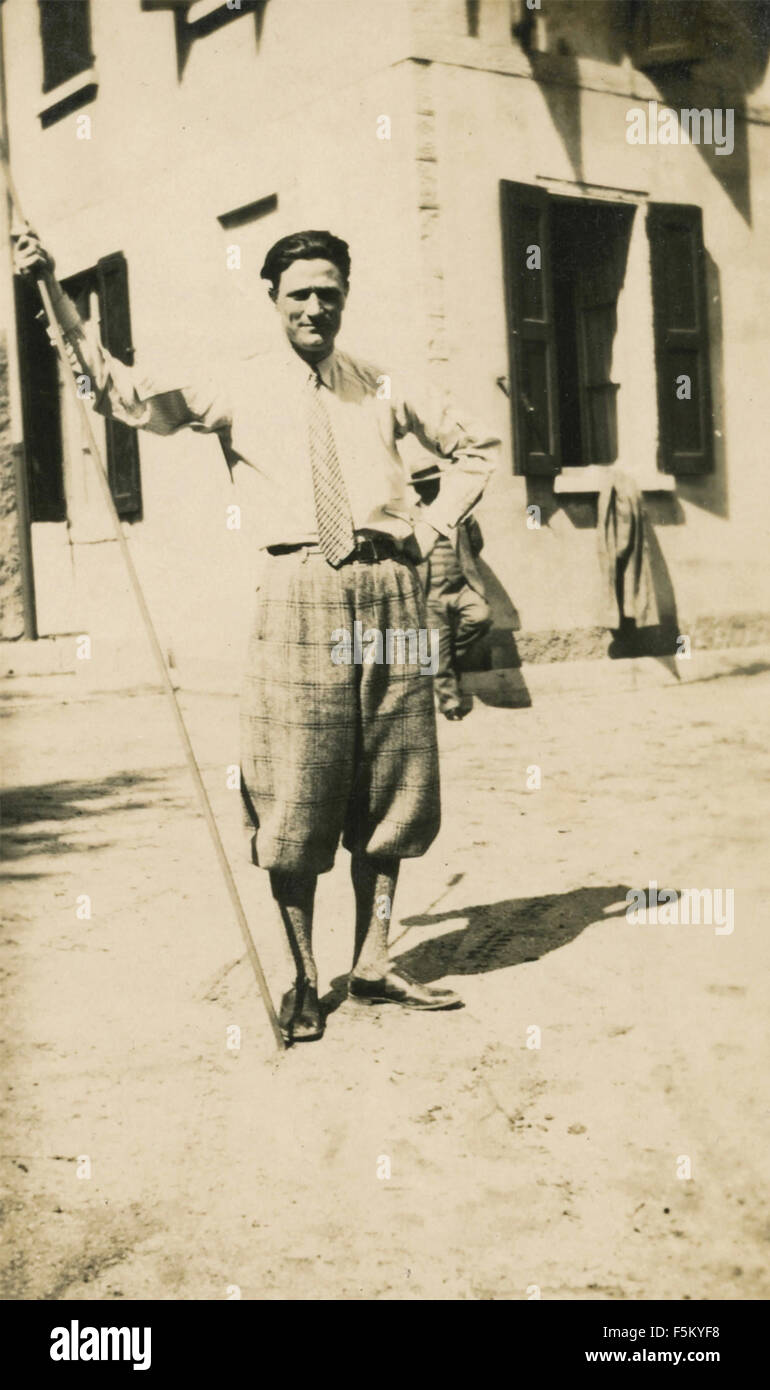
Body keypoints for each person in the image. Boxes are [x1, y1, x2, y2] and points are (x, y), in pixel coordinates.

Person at [13, 227, 499, 1044]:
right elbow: (119, 394)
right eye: (301, 292)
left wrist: (429, 528)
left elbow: (476, 449)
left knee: (397, 782)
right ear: (273, 298)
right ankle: (306, 977)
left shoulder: (380, 382)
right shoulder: (231, 384)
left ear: (346, 295)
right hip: (298, 588)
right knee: (297, 786)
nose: (317, 305)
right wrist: (53, 290)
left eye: (330, 291)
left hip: (391, 588)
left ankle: (374, 960)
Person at [411, 465, 492, 719]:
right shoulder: (409, 517)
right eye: (424, 484)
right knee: (436, 651)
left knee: (481, 616)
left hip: (461, 587)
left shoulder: (458, 511)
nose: (431, 487)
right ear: (416, 489)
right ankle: (450, 704)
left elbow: (476, 543)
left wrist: (464, 567)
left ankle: (453, 657)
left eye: (434, 482)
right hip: (430, 592)